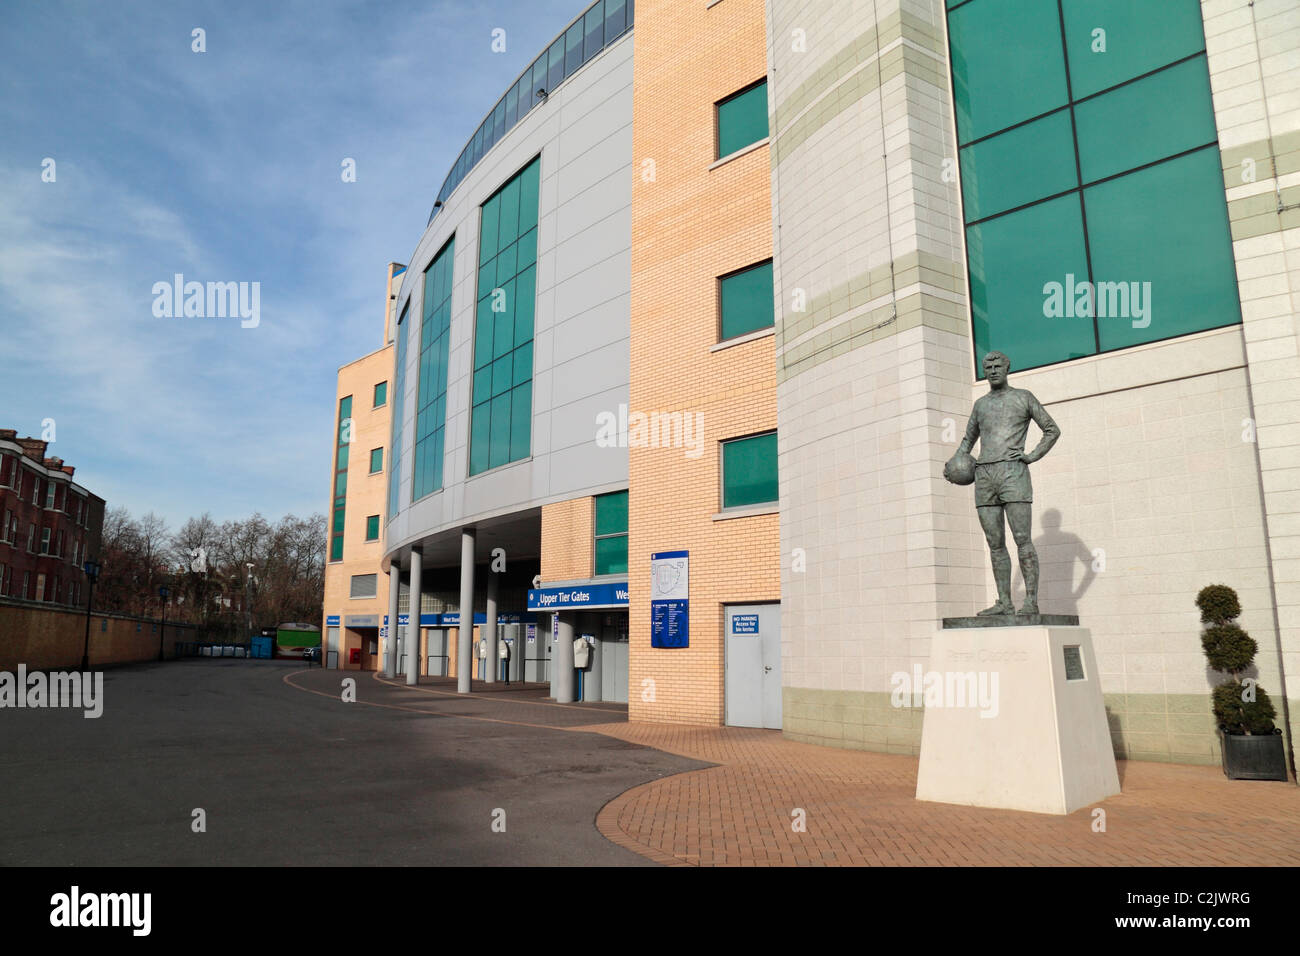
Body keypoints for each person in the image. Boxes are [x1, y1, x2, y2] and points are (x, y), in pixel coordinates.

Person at [954, 351, 1060, 616]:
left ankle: (1031, 601)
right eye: (987, 366)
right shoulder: (980, 404)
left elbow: (1051, 429)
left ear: (1007, 367)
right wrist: (954, 464)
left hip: (1013, 472)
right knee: (994, 541)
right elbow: (968, 441)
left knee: (1022, 538)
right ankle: (1004, 601)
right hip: (985, 475)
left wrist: (1032, 455)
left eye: (997, 365)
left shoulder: (1023, 397)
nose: (992, 370)